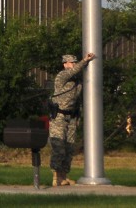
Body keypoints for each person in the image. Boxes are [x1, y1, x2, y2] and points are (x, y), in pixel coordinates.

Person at [49, 52, 95, 186]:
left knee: (69, 148)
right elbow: (74, 70)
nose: (74, 65)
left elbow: (78, 100)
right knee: (59, 147)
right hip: (59, 116)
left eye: (75, 62)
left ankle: (64, 176)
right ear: (65, 64)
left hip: (72, 117)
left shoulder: (77, 82)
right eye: (72, 62)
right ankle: (56, 176)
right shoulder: (62, 76)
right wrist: (85, 60)